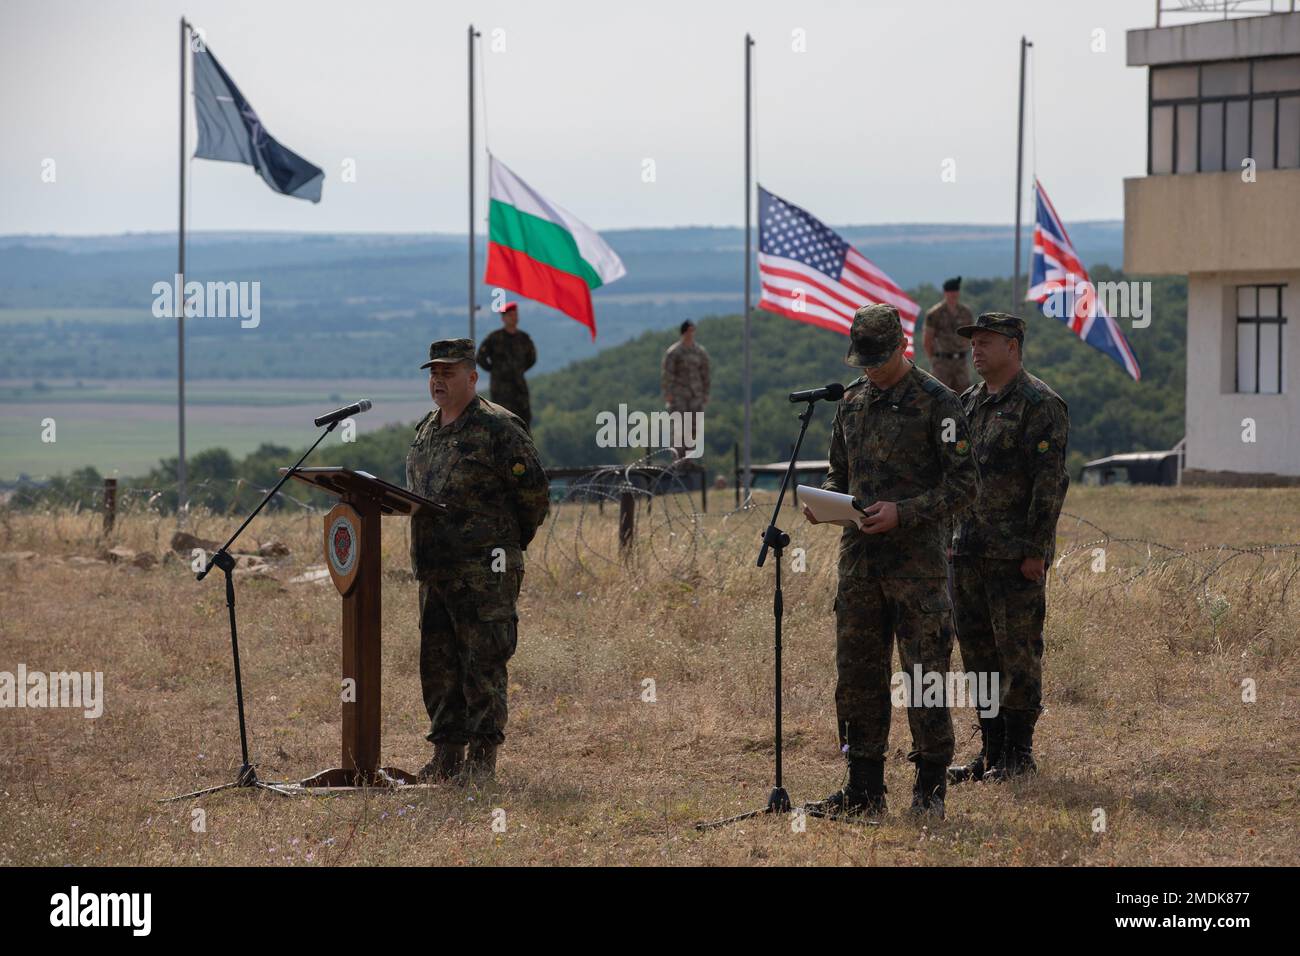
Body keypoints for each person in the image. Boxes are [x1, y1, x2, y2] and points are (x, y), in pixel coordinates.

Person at [803, 304, 979, 820]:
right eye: (864, 361)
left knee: (924, 675)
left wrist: (904, 513)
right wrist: (828, 504)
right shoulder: (851, 403)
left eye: (879, 360)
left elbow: (965, 486)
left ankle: (929, 789)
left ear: (902, 347)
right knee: (857, 674)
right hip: (859, 564)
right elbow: (839, 473)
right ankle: (863, 789)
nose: (871, 370)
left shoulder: (939, 404)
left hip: (918, 568)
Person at [406, 338, 550, 784]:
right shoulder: (426, 429)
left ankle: (482, 762)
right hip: (436, 569)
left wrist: (505, 543)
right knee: (439, 663)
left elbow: (534, 496)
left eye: (448, 373)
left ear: (471, 377)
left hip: (486, 570)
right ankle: (446, 757)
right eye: (433, 373)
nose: (438, 381)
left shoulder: (498, 428)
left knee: (482, 662)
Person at [947, 313, 1069, 784]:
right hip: (967, 551)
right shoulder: (968, 404)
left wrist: (1035, 550)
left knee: (1017, 654)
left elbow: (1049, 485)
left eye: (986, 342)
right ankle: (991, 751)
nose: (976, 350)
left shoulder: (1040, 404)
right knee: (978, 655)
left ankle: (1019, 754)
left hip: (1015, 555)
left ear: (1013, 346)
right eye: (973, 342)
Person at [475, 301, 538, 429]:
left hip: (519, 388)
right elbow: (480, 357)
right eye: (510, 315)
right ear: (503, 318)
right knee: (500, 420)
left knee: (523, 421)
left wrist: (518, 370)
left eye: (515, 314)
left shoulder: (524, 338)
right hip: (500, 389)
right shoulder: (494, 338)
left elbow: (531, 358)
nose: (513, 317)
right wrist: (494, 370)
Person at [660, 319, 710, 461]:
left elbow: (705, 374)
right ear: (684, 332)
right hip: (679, 395)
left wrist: (705, 394)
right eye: (689, 330)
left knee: (694, 428)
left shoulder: (700, 352)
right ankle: (678, 459)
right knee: (679, 427)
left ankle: (689, 459)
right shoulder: (674, 352)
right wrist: (668, 393)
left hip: (696, 395)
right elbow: (667, 373)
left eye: (693, 330)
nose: (692, 334)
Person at [923, 276, 974, 393]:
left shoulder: (966, 312)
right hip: (942, 363)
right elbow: (927, 341)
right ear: (945, 293)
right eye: (951, 291)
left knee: (965, 396)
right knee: (941, 396)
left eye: (956, 291)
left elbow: (971, 336)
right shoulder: (934, 314)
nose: (954, 294)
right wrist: (935, 360)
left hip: (961, 362)